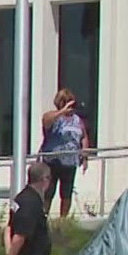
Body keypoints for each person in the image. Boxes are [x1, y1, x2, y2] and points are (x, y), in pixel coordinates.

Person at [0, 161, 53, 255]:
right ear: (44, 179)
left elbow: (9, 227)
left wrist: (9, 254)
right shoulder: (31, 202)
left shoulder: (21, 198)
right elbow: (20, 235)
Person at [38, 89, 90, 218]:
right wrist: (62, 112)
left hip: (70, 162)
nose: (70, 108)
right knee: (48, 191)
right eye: (67, 103)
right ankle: (43, 216)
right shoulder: (53, 117)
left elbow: (83, 136)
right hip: (52, 161)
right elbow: (46, 121)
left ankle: (63, 219)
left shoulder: (77, 120)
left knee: (66, 193)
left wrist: (84, 155)